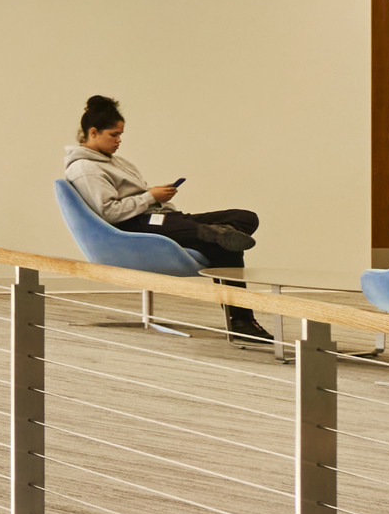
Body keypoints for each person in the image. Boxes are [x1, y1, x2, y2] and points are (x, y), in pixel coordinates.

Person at [63, 95, 272, 343]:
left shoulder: (115, 162)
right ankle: (241, 319)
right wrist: (150, 196)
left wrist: (157, 196)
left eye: (121, 135)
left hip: (162, 218)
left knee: (245, 218)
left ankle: (213, 233)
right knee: (223, 244)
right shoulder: (86, 169)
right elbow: (110, 212)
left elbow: (136, 197)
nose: (119, 140)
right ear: (93, 132)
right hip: (136, 227)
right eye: (114, 135)